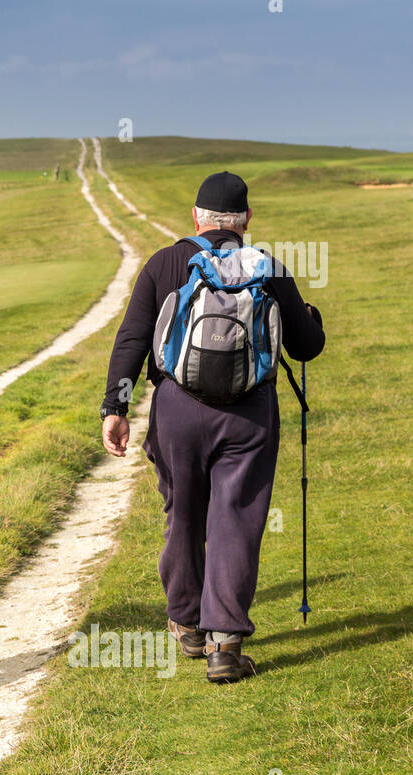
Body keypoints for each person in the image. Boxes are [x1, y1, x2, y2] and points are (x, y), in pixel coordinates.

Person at [100, 171, 325, 683]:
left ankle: (186, 625)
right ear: (246, 220)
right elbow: (306, 347)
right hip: (249, 415)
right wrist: (309, 316)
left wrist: (115, 407)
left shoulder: (164, 263)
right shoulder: (268, 267)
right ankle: (225, 644)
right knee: (236, 518)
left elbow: (133, 340)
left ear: (196, 217)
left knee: (182, 511)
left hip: (176, 411)